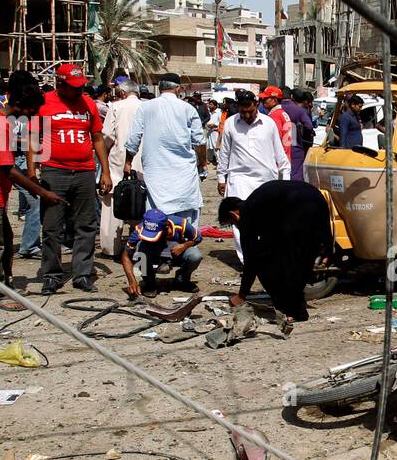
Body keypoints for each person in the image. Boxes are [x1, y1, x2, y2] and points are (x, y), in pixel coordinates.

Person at [0, 71, 61, 310]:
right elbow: (8, 169)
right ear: (19, 104)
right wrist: (42, 192)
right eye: (31, 110)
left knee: (6, 241)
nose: (32, 115)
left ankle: (6, 284)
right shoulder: (0, 125)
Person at [219, 179, 333, 333]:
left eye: (232, 223)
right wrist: (327, 246)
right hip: (315, 197)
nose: (236, 227)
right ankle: (295, 306)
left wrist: (241, 295)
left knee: (276, 262)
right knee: (301, 258)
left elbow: (251, 260)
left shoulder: (248, 213)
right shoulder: (260, 203)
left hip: (298, 209)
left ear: (234, 214)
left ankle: (293, 310)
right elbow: (321, 215)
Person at [37, 62, 111, 294]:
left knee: (86, 225)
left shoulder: (88, 103)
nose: (79, 90)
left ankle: (82, 274)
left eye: (81, 86)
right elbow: (32, 136)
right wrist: (32, 170)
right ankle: (52, 275)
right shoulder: (44, 103)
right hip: (54, 171)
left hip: (85, 171)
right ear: (60, 83)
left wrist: (105, 171)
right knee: (52, 226)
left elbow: (97, 138)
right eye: (74, 87)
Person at [123, 72, 206, 233]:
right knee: (186, 220)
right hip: (184, 174)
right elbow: (199, 142)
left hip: (156, 174)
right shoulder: (188, 109)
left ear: (160, 88)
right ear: (178, 89)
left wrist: (128, 162)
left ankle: (156, 242)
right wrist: (203, 164)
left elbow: (133, 140)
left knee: (156, 217)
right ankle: (184, 244)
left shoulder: (145, 108)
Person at [216, 89, 289, 263]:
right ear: (237, 107)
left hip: (266, 181)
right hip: (239, 179)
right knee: (239, 222)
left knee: (267, 222)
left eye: (251, 111)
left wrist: (285, 182)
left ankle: (265, 258)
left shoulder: (269, 123)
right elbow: (224, 153)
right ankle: (247, 261)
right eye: (243, 112)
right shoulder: (231, 123)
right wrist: (221, 178)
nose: (247, 115)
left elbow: (280, 154)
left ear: (256, 105)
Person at [100, 79, 143, 257]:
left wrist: (101, 153)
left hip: (118, 160)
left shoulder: (116, 107)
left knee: (111, 203)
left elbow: (107, 135)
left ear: (122, 93)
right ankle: (139, 243)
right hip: (142, 163)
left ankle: (111, 247)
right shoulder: (147, 106)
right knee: (140, 202)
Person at [120, 207, 203, 297]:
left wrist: (184, 246)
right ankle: (149, 282)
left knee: (195, 255)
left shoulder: (181, 224)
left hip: (175, 253)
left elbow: (198, 238)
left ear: (166, 227)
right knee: (140, 248)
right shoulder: (139, 229)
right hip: (153, 254)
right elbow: (125, 255)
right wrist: (132, 281)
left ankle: (182, 280)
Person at [283, 88, 316, 182]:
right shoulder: (299, 110)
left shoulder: (277, 108)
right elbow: (309, 126)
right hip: (294, 145)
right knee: (296, 175)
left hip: (280, 145)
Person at [259, 85, 292, 162]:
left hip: (277, 161)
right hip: (286, 157)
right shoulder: (282, 113)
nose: (263, 101)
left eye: (266, 98)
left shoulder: (274, 116)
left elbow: (275, 140)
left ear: (274, 100)